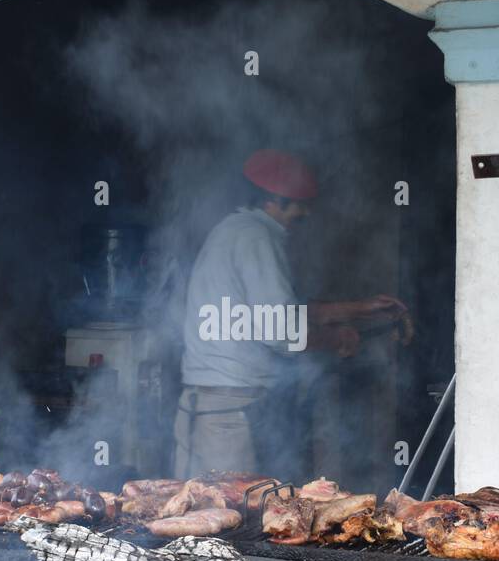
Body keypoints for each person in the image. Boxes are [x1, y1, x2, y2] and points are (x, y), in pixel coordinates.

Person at [173, 148, 408, 478]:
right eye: (300, 205)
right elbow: (280, 331)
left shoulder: (230, 231)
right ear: (274, 200)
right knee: (228, 520)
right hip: (228, 415)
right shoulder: (257, 237)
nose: (305, 214)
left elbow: (277, 313)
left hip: (204, 406)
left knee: (191, 519)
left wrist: (360, 309)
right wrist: (335, 338)